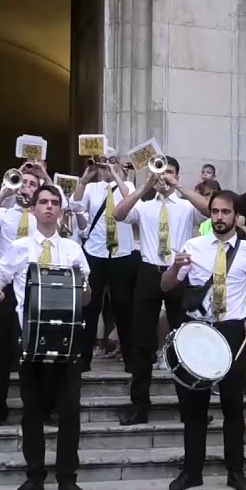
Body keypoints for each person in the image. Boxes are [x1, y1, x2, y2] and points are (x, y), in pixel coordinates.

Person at [0, 184, 90, 490]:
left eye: (54, 203)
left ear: (60, 211)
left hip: (67, 340)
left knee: (69, 412)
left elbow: (86, 295)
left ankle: (67, 478)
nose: (48, 207)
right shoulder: (18, 247)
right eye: (42, 202)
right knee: (32, 411)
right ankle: (34, 475)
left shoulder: (72, 250)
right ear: (33, 210)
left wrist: (83, 286)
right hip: (31, 339)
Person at [160, 190, 246, 490]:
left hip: (233, 329)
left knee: (233, 405)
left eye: (226, 212)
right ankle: (192, 471)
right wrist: (174, 268)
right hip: (198, 329)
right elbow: (166, 286)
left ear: (236, 216)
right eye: (215, 211)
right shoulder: (193, 246)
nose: (220, 217)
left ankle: (236, 471)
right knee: (194, 407)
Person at [111, 156, 208, 425]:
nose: (164, 177)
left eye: (171, 172)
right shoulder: (144, 206)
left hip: (179, 272)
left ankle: (190, 405)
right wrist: (145, 187)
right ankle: (139, 405)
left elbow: (209, 210)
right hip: (148, 271)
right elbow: (118, 214)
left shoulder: (186, 205)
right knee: (142, 342)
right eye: (161, 172)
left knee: (184, 341)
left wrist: (179, 187)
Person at [0, 170, 39, 427]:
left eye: (32, 184)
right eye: (23, 183)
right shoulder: (4, 213)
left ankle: (38, 406)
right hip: (4, 287)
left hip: (33, 287)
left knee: (33, 349)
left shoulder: (43, 217)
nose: (26, 187)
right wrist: (2, 195)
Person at [70, 159, 137, 373]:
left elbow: (132, 201)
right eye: (103, 162)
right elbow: (75, 206)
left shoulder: (129, 186)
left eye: (112, 161)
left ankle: (129, 358)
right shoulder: (91, 188)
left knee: (123, 307)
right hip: (96, 252)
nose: (106, 165)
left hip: (121, 253)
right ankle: (84, 358)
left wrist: (117, 175)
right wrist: (85, 177)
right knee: (90, 307)